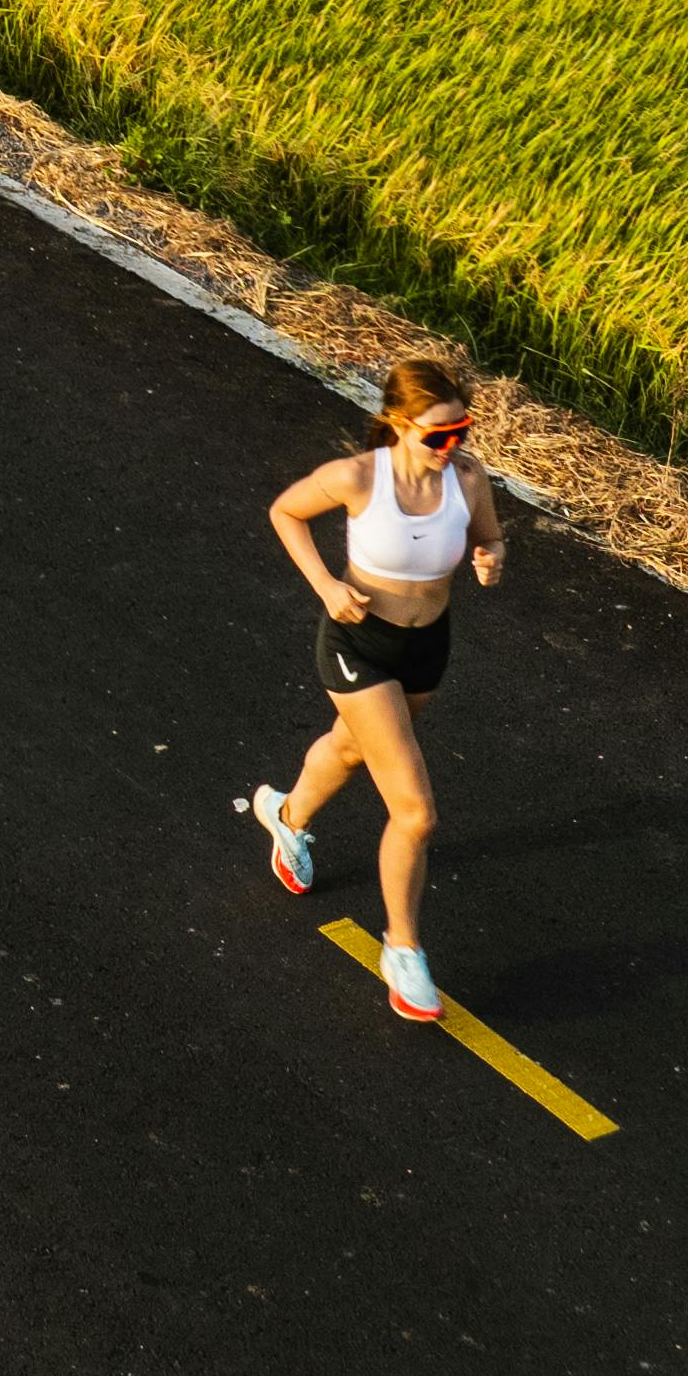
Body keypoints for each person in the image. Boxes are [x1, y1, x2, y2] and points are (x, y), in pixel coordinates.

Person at [243, 357, 506, 1021]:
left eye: (463, 431)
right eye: (439, 435)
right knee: (415, 810)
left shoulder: (468, 478)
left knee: (353, 748)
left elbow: (491, 539)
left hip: (425, 648)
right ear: (398, 424)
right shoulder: (359, 477)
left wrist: (491, 560)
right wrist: (328, 586)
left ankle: (288, 816)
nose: (455, 447)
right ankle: (404, 950)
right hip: (359, 648)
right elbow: (285, 512)